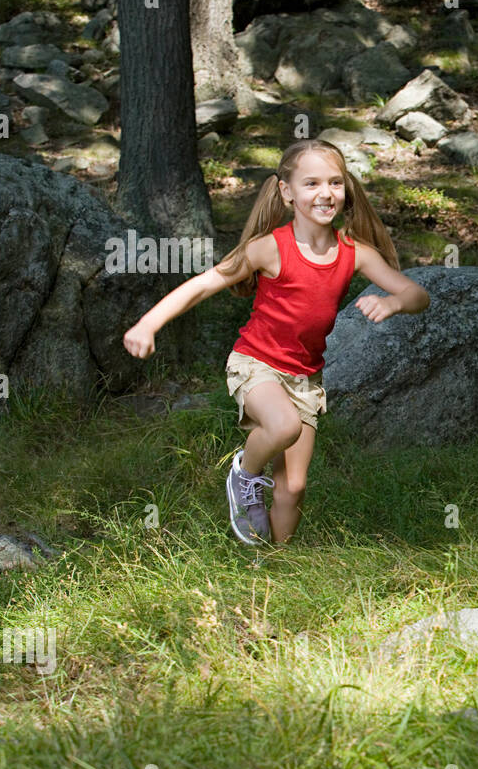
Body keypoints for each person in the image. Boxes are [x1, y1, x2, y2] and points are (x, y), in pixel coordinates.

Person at [123, 140, 430, 545]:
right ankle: (244, 474)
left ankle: (273, 563)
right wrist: (148, 323)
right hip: (256, 364)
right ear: (287, 192)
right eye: (312, 183)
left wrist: (393, 303)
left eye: (335, 183)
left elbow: (418, 295)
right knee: (282, 426)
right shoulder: (270, 247)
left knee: (293, 487)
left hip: (304, 379)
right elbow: (203, 285)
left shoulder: (355, 253)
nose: (325, 193)